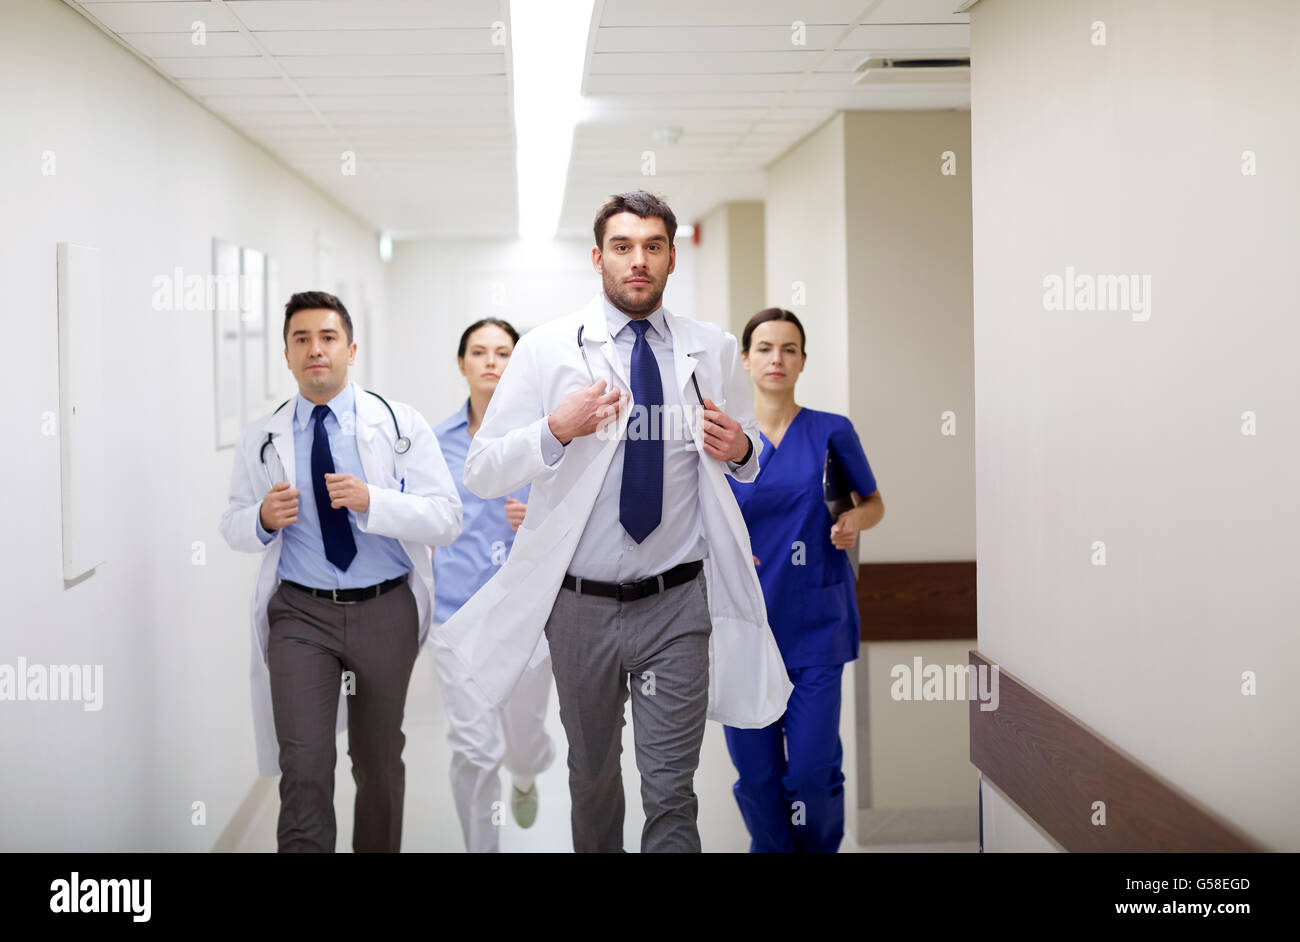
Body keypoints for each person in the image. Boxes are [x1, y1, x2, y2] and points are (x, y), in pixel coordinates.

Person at [436, 191, 792, 853]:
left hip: (678, 603)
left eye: (653, 246)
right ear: (598, 257)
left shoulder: (710, 350)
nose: (638, 261)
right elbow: (483, 469)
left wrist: (741, 449)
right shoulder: (546, 351)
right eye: (623, 247)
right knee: (593, 780)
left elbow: (751, 454)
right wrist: (555, 430)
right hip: (579, 609)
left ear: (670, 258)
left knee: (670, 790)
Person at [219, 290, 462, 853]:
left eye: (327, 338)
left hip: (385, 610)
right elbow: (231, 522)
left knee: (377, 762)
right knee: (303, 762)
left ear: (351, 349)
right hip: (300, 615)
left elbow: (446, 518)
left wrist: (374, 501)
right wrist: (260, 517)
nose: (315, 350)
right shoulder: (262, 437)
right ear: (286, 355)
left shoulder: (401, 424)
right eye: (301, 340)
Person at [723, 308, 885, 853]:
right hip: (745, 629)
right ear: (745, 359)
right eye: (765, 348)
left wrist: (854, 521)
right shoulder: (724, 435)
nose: (777, 359)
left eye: (789, 349)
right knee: (759, 777)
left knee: (812, 773)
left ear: (803, 361)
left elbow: (873, 503)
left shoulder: (831, 430)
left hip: (817, 625)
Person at [429, 317, 557, 853]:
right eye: (478, 352)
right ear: (462, 364)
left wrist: (536, 517)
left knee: (520, 744)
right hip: (457, 615)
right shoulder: (434, 443)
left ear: (516, 364)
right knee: (476, 750)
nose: (490, 362)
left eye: (502, 353)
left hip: (527, 613)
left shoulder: (545, 438)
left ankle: (526, 775)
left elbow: (578, 516)